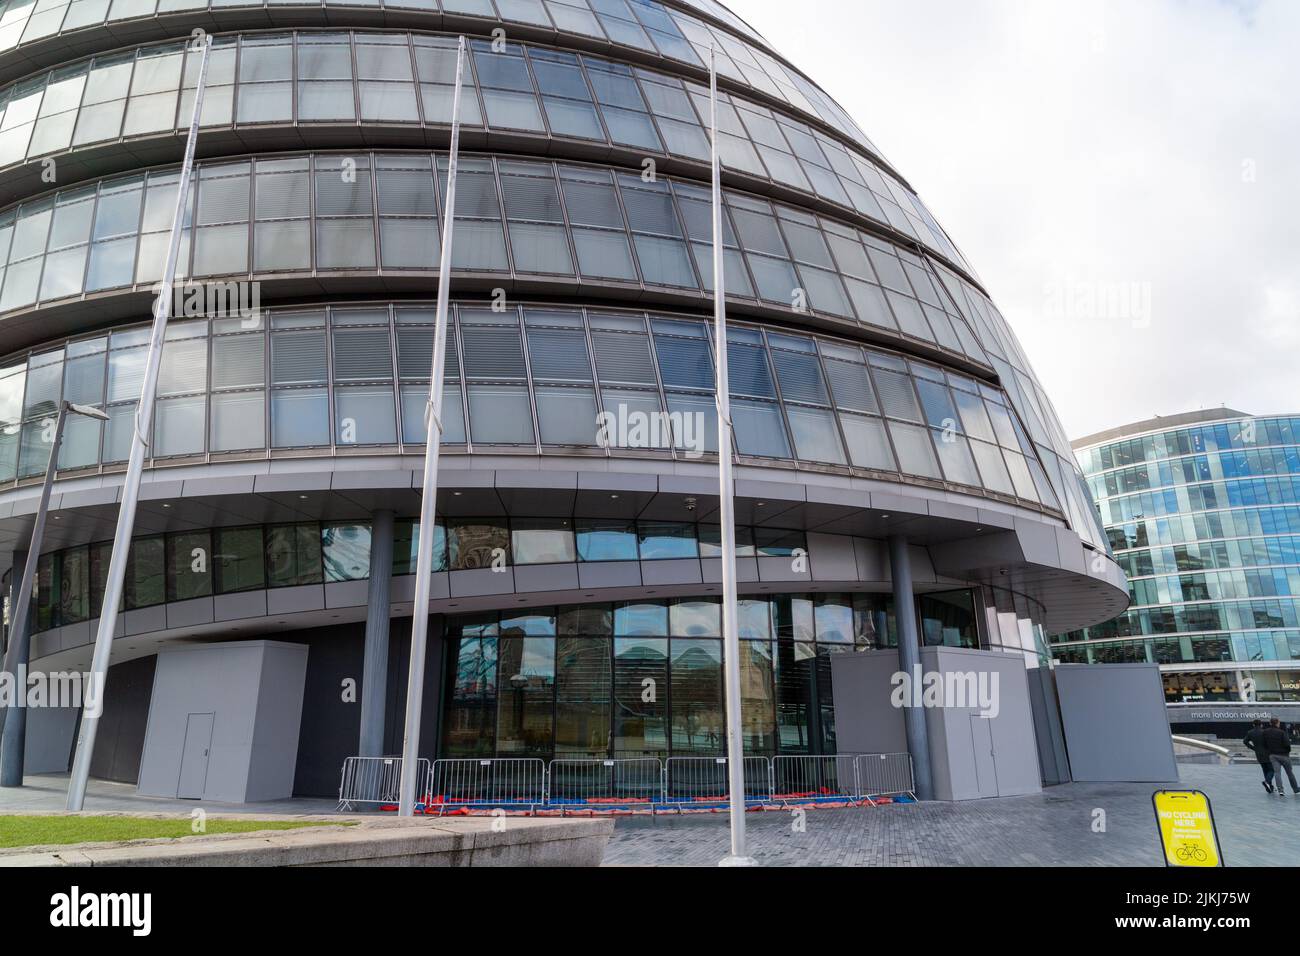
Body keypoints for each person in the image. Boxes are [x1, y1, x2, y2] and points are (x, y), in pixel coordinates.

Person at [1262, 717, 1299, 796]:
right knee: (1290, 773)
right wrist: (1287, 752)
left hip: (1273, 755)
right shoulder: (1282, 732)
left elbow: (1264, 744)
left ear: (1270, 723)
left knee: (1277, 773)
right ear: (1277, 723)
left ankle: (1280, 790)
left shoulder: (1265, 732)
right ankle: (1295, 789)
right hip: (1284, 755)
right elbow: (1287, 744)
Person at [1244, 719, 1275, 793]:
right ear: (1261, 725)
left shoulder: (1250, 732)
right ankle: (1267, 782)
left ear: (1253, 725)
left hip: (1258, 754)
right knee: (1272, 770)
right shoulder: (1264, 732)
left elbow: (1245, 741)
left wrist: (1253, 748)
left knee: (1265, 770)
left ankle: (1269, 787)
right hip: (1267, 753)